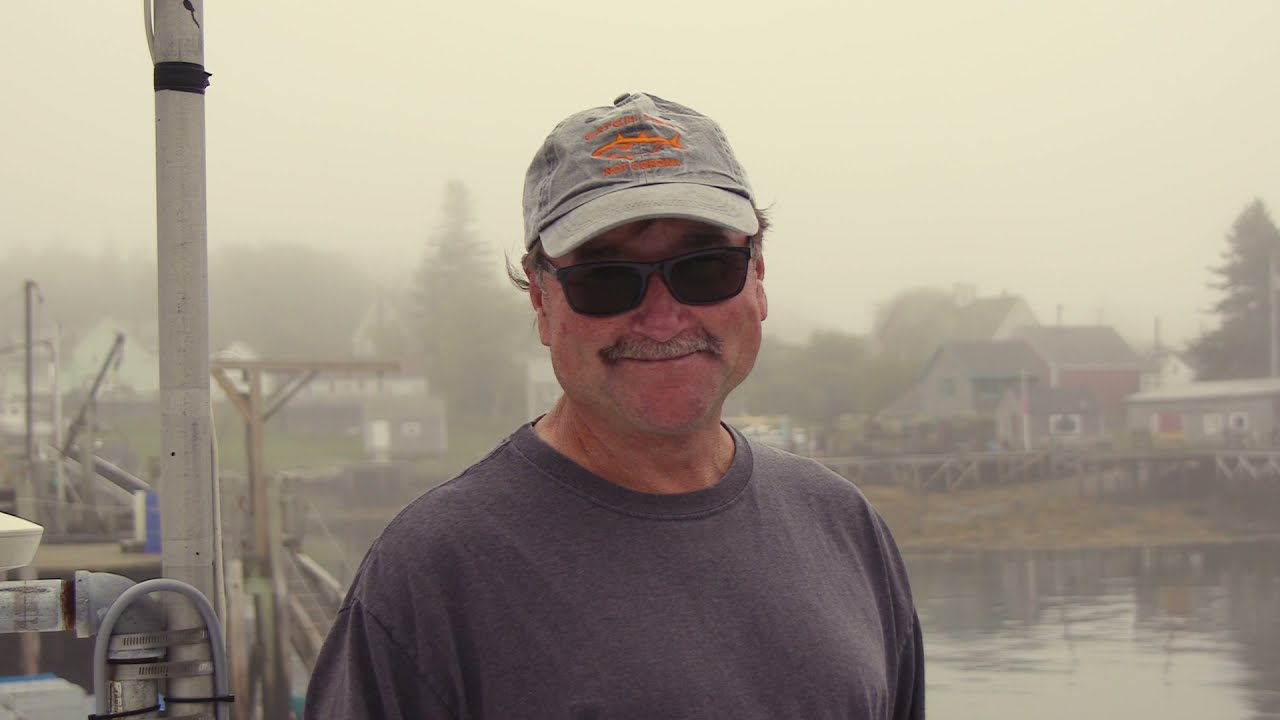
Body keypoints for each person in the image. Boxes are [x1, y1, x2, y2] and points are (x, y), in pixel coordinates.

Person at [305, 92, 925, 719]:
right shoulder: (432, 573)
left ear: (758, 279)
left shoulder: (845, 525)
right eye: (605, 277)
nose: (661, 318)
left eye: (706, 266)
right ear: (542, 303)